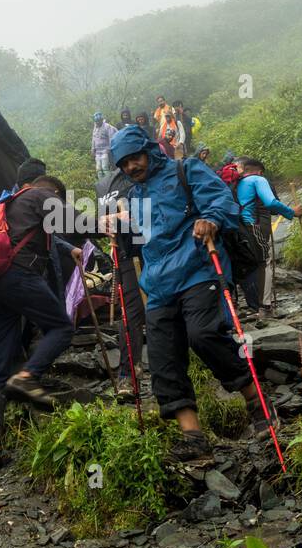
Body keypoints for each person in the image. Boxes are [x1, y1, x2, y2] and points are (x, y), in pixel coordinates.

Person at [106, 127, 269, 466]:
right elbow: (142, 234)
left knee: (204, 333)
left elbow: (222, 201)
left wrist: (209, 218)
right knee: (164, 356)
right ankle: (194, 438)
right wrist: (114, 226)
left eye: (135, 157)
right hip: (159, 284)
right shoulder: (134, 196)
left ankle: (256, 402)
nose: (132, 166)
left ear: (149, 149)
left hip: (198, 269)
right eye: (124, 163)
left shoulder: (187, 169)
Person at [0, 175, 82, 473]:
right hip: (16, 275)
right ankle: (27, 376)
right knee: (61, 327)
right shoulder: (40, 194)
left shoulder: (5, 207)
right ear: (54, 192)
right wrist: (112, 223)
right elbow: (75, 223)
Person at [97, 137, 148, 400]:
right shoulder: (107, 184)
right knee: (131, 312)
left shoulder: (156, 173)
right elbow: (109, 222)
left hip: (156, 250)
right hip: (130, 253)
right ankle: (129, 373)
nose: (129, 165)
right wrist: (111, 220)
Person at [234, 157, 302, 318]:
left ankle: (246, 306)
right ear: (259, 170)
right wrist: (292, 212)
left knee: (249, 265)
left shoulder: (236, 184)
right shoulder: (258, 179)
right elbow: (270, 202)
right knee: (265, 263)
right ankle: (265, 307)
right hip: (254, 227)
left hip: (237, 229)